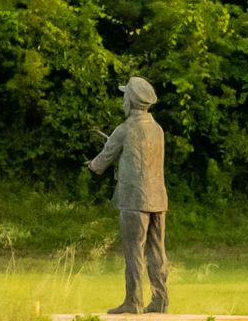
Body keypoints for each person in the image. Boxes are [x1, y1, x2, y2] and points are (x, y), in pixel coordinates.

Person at [84, 75, 170, 316]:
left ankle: (134, 301)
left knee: (134, 251)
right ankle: (160, 300)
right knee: (157, 251)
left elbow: (102, 162)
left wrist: (92, 164)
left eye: (124, 96)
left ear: (131, 100)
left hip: (134, 199)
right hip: (158, 198)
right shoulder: (157, 129)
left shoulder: (124, 130)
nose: (122, 100)